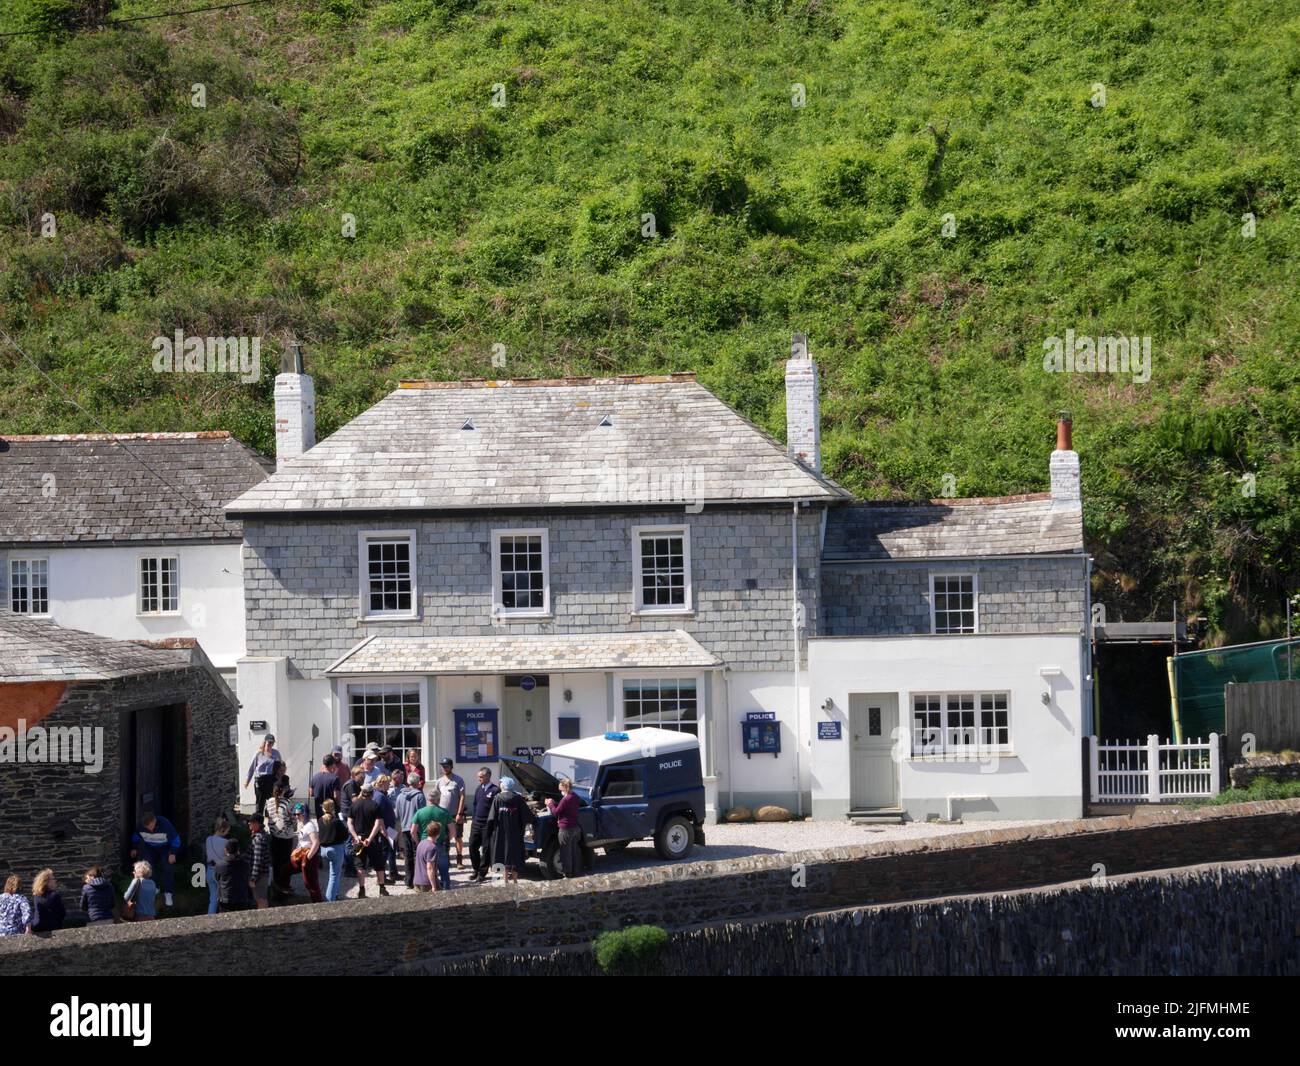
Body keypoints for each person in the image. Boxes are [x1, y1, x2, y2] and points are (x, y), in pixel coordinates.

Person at [485, 776, 534, 883]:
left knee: (502, 856)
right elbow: (528, 816)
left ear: (503, 786)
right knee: (515, 856)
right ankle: (515, 881)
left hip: (500, 833)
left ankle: (506, 880)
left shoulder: (497, 798)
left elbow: (491, 818)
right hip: (515, 833)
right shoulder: (518, 799)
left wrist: (488, 833)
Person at [129, 810, 180, 906]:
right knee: (148, 866)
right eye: (147, 828)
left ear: (154, 821)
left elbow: (176, 839)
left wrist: (173, 853)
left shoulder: (165, 824)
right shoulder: (141, 826)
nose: (150, 830)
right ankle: (156, 887)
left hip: (165, 847)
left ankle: (168, 893)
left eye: (151, 826)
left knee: (167, 867)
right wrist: (134, 848)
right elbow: (136, 836)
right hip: (150, 847)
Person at [347, 781, 388, 898]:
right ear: (372, 793)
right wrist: (370, 838)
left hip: (358, 840)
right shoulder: (375, 805)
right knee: (379, 865)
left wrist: (355, 836)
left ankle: (361, 890)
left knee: (360, 866)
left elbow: (349, 823)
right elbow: (378, 823)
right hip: (373, 840)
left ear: (362, 792)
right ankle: (382, 889)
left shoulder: (354, 805)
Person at [264, 779, 297, 901]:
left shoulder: (268, 802)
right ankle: (284, 888)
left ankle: (276, 885)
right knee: (285, 864)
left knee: (276, 863)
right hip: (286, 837)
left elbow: (268, 817)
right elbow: (294, 821)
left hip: (274, 836)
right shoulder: (288, 803)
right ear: (283, 790)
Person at [394, 772, 427, 887]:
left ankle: (408, 881)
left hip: (404, 829)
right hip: (417, 829)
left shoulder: (400, 796)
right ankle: (418, 880)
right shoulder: (419, 796)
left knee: (408, 855)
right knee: (418, 855)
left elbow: (397, 815)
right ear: (417, 783)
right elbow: (423, 815)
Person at [433, 757, 467, 869]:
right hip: (442, 815)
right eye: (442, 766)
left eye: (446, 766)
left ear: (451, 767)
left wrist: (460, 813)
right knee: (443, 837)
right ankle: (445, 859)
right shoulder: (439, 781)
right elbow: (436, 798)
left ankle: (459, 860)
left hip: (455, 814)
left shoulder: (458, 780)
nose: (444, 768)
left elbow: (462, 797)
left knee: (458, 837)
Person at [547, 776, 584, 878]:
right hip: (575, 827)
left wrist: (550, 804)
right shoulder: (575, 796)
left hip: (565, 828)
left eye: (561, 790)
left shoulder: (565, 799)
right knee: (574, 850)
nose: (560, 792)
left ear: (565, 788)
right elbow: (567, 808)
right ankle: (576, 872)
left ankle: (568, 873)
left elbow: (556, 812)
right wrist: (555, 804)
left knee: (565, 852)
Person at [468, 767, 500, 883]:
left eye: (481, 777)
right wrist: (474, 819)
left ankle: (482, 873)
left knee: (486, 849)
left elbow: (496, 809)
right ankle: (476, 869)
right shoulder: (478, 789)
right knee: (472, 846)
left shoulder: (495, 790)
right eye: (478, 777)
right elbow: (475, 804)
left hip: (487, 824)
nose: (479, 779)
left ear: (487, 776)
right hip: (476, 822)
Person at [317, 799, 349, 902]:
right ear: (333, 809)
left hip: (323, 850)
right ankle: (330, 899)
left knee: (332, 874)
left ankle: (335, 894)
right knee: (334, 875)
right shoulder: (336, 821)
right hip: (335, 849)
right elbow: (345, 836)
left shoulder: (320, 820)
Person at [291, 803, 323, 903]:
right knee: (286, 870)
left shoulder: (309, 826)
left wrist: (308, 857)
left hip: (310, 858)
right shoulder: (303, 824)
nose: (296, 816)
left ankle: (318, 904)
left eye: (298, 814)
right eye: (295, 814)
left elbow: (316, 842)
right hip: (303, 856)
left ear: (305, 813)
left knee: (311, 884)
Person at [339, 764, 366, 879]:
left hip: (351, 815)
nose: (363, 777)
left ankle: (350, 865)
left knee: (350, 841)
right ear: (355, 775)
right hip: (348, 816)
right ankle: (349, 869)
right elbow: (355, 801)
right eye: (361, 775)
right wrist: (365, 792)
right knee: (350, 842)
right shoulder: (351, 785)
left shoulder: (355, 784)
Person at [244, 733, 282, 813]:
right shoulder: (258, 754)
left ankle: (271, 820)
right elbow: (252, 768)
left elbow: (280, 768)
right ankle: (259, 820)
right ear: (265, 742)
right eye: (269, 743)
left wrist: (280, 779)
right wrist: (247, 781)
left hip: (271, 780)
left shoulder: (276, 753)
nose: (270, 745)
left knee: (271, 803)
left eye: (272, 743)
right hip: (260, 781)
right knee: (260, 803)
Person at [215, 839, 254, 913]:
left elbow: (217, 878)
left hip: (225, 900)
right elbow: (247, 878)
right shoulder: (245, 864)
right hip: (242, 898)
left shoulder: (219, 865)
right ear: (238, 850)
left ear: (225, 850)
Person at [374, 774, 399, 881]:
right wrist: (382, 829)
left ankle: (393, 872)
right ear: (382, 783)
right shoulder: (379, 796)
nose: (389, 785)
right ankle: (382, 876)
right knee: (385, 852)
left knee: (392, 849)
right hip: (386, 829)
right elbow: (378, 816)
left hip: (390, 827)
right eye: (388, 783)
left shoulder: (382, 794)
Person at [247, 812, 272, 909]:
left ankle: (265, 921)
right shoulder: (259, 835)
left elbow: (257, 861)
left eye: (251, 822)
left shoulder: (258, 839)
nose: (249, 824)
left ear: (258, 824)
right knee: (260, 899)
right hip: (260, 875)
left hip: (260, 876)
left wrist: (253, 879)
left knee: (261, 899)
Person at [31, 869, 65, 934]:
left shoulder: (36, 896)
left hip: (37, 927)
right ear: (46, 882)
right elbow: (62, 913)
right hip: (52, 928)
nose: (55, 881)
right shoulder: (54, 895)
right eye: (53, 879)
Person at [310, 754, 342, 818]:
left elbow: (311, 793)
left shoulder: (314, 777)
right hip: (331, 811)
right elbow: (336, 796)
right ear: (333, 765)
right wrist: (341, 806)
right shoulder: (335, 778)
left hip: (319, 811)